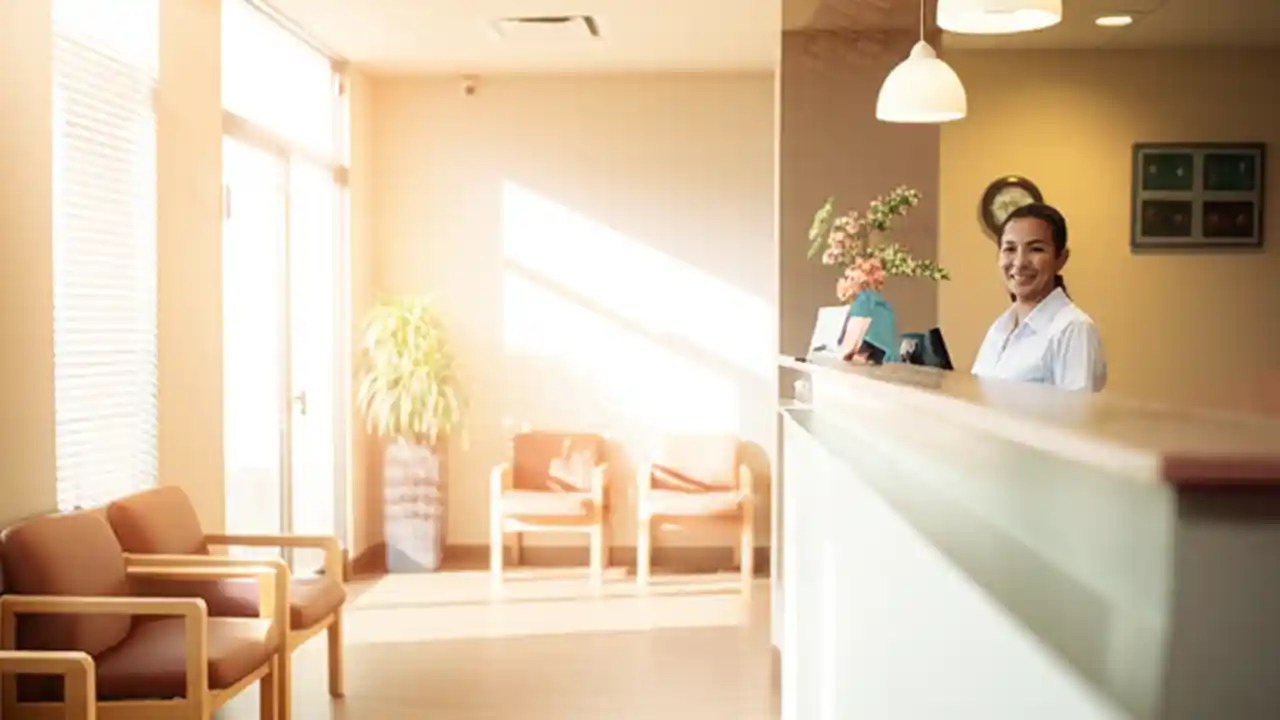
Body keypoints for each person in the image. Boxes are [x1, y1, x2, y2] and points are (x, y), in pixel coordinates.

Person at [971, 203, 1107, 392]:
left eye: (1036, 249)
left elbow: (1076, 418)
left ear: (1061, 258)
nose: (1019, 263)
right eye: (1010, 249)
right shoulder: (999, 328)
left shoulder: (1073, 329)